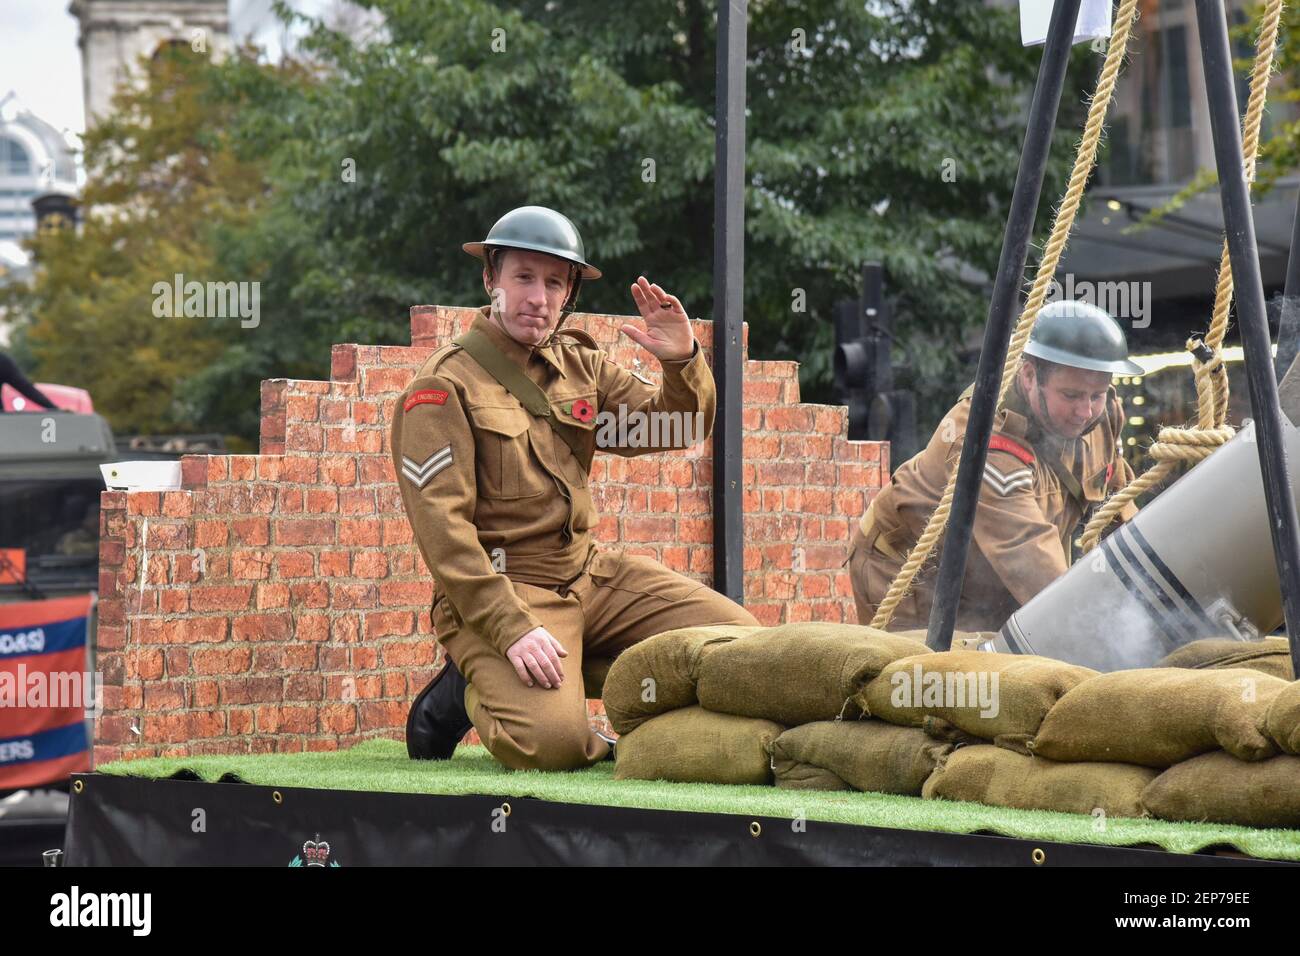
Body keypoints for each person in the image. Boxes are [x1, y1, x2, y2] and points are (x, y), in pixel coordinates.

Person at [390, 205, 757, 770]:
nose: (538, 297)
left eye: (554, 282)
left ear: (569, 295)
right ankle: (465, 687)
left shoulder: (580, 366)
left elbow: (674, 428)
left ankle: (559, 665)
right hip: (508, 587)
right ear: (491, 279)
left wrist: (681, 362)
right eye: (523, 277)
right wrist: (508, 627)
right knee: (552, 746)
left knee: (742, 643)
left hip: (589, 576)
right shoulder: (442, 388)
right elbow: (444, 535)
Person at [848, 299, 1144, 632]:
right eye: (1071, 395)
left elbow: (1119, 513)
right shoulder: (984, 439)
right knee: (932, 676)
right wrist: (1100, 635)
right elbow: (1029, 556)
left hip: (988, 574)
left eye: (1097, 395)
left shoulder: (1101, 418)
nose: (1085, 412)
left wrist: (1147, 598)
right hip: (906, 573)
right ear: (1030, 377)